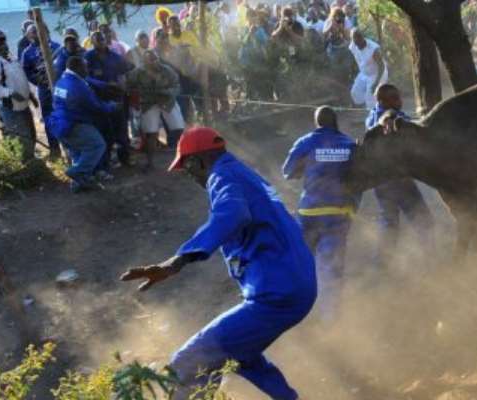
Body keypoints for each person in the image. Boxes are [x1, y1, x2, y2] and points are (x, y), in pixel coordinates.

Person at [120, 127, 316, 400]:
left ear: (196, 161)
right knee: (240, 354)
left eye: (187, 168)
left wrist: (177, 261)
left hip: (277, 293)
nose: (189, 176)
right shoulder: (244, 174)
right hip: (294, 286)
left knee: (189, 361)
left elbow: (233, 214)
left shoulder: (222, 175)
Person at [283, 106, 356, 321]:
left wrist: (308, 167)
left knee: (301, 264)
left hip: (308, 212)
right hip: (337, 214)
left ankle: (297, 313)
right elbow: (360, 177)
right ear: (336, 122)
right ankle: (328, 320)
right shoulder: (349, 144)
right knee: (330, 268)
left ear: (317, 123)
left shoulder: (305, 142)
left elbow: (287, 172)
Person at [365, 84, 435, 269]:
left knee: (389, 223)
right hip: (398, 180)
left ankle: (381, 265)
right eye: (394, 98)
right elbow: (391, 120)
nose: (400, 101)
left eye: (399, 97)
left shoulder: (373, 115)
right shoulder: (388, 119)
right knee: (424, 220)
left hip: (381, 182)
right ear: (382, 101)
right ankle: (431, 261)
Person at [47, 56, 113, 192]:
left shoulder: (63, 80)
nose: (87, 70)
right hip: (73, 124)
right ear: (77, 68)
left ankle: (78, 185)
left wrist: (106, 85)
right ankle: (76, 172)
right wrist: (112, 107)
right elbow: (96, 106)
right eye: (85, 67)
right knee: (97, 145)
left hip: (59, 124)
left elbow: (88, 81)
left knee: (78, 152)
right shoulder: (77, 86)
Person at [84, 31, 134, 175]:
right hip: (98, 101)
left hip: (117, 97)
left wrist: (122, 85)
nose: (100, 41)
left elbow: (125, 72)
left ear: (106, 40)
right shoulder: (87, 57)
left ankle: (125, 159)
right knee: (104, 132)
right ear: (92, 42)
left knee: (122, 130)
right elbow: (84, 77)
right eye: (97, 39)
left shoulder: (115, 56)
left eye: (102, 39)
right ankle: (106, 164)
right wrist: (104, 85)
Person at [126, 50, 184, 170]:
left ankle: (183, 156)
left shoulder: (167, 70)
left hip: (168, 102)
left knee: (179, 129)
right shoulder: (138, 72)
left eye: (155, 59)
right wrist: (135, 93)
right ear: (144, 61)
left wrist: (168, 92)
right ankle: (150, 162)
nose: (154, 62)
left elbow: (177, 86)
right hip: (149, 103)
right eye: (150, 60)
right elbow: (128, 83)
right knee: (151, 133)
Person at [0, 34, 37, 161]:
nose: (3, 45)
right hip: (11, 108)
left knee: (31, 133)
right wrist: (11, 93)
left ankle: (32, 159)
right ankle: (27, 163)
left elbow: (21, 78)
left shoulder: (13, 58)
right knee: (22, 137)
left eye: (3, 42)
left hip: (24, 105)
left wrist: (31, 95)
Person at [21, 23, 62, 159]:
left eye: (39, 30)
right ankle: (55, 149)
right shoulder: (27, 53)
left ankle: (70, 148)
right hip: (44, 89)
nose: (37, 33)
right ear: (28, 36)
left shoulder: (56, 46)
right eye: (33, 32)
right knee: (49, 118)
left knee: (65, 114)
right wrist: (37, 80)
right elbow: (26, 71)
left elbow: (63, 64)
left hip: (59, 87)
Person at [349, 29, 387, 109]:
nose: (356, 41)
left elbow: (382, 66)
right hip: (363, 73)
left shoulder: (373, 49)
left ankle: (373, 110)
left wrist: (376, 83)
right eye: (354, 39)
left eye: (359, 37)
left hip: (376, 74)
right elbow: (355, 57)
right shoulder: (353, 45)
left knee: (370, 97)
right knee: (355, 93)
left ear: (363, 37)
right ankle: (376, 103)